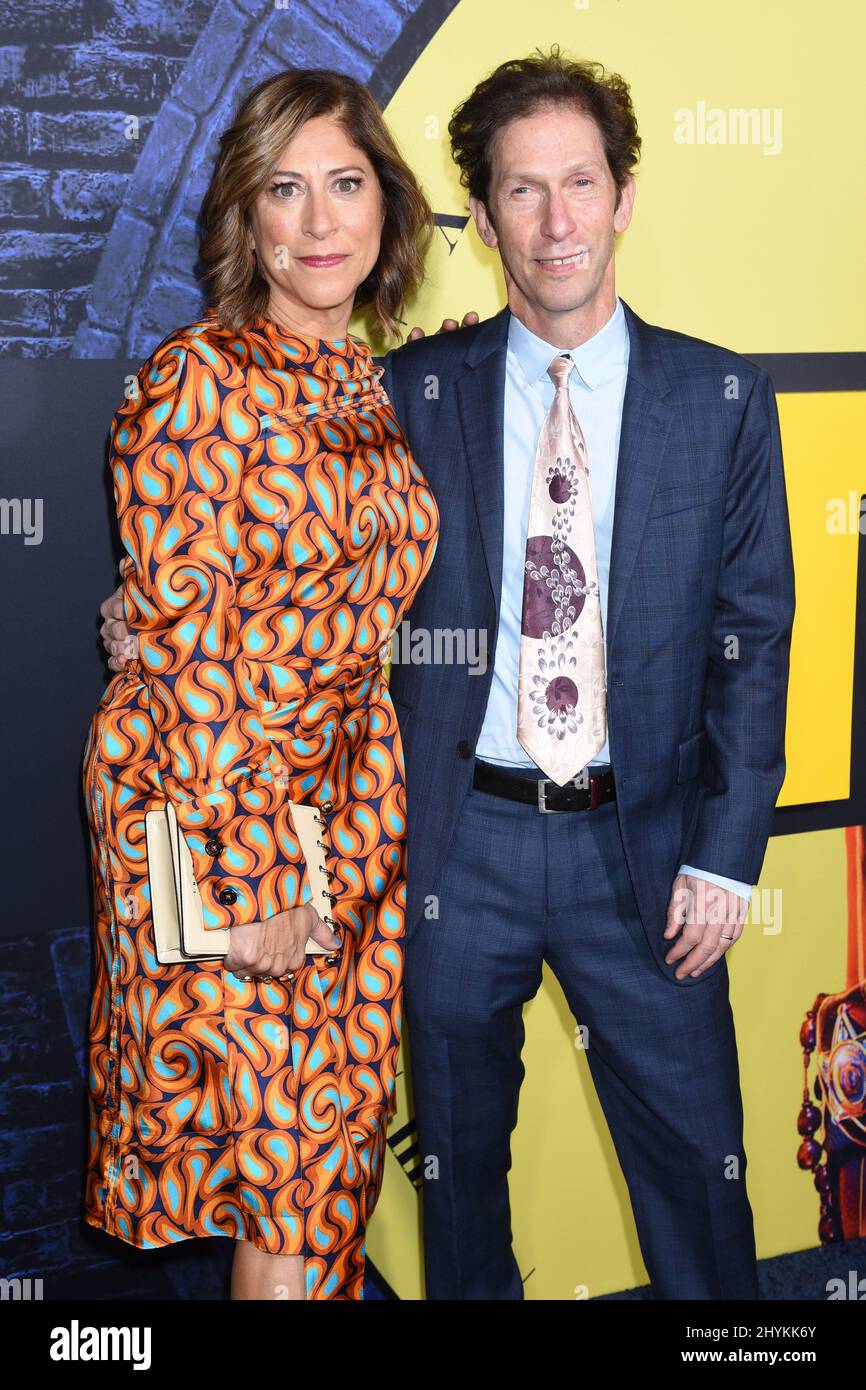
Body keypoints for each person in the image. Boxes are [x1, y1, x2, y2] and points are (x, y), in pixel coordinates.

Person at [102, 48, 796, 1300]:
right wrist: (147, 616)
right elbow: (235, 562)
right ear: (479, 218)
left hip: (638, 851)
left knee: (702, 1178)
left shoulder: (719, 395)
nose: (554, 220)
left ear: (623, 194)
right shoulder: (411, 388)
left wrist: (727, 850)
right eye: (520, 192)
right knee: (449, 1184)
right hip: (441, 845)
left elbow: (753, 635)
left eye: (577, 183)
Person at [81, 66, 439, 1301]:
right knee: (290, 1179)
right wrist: (260, 878)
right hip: (234, 811)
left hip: (348, 810)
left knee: (329, 1175)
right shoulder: (201, 378)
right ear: (248, 218)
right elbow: (187, 658)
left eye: (346, 184)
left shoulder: (361, 382)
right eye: (287, 191)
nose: (323, 219)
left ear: (386, 207)